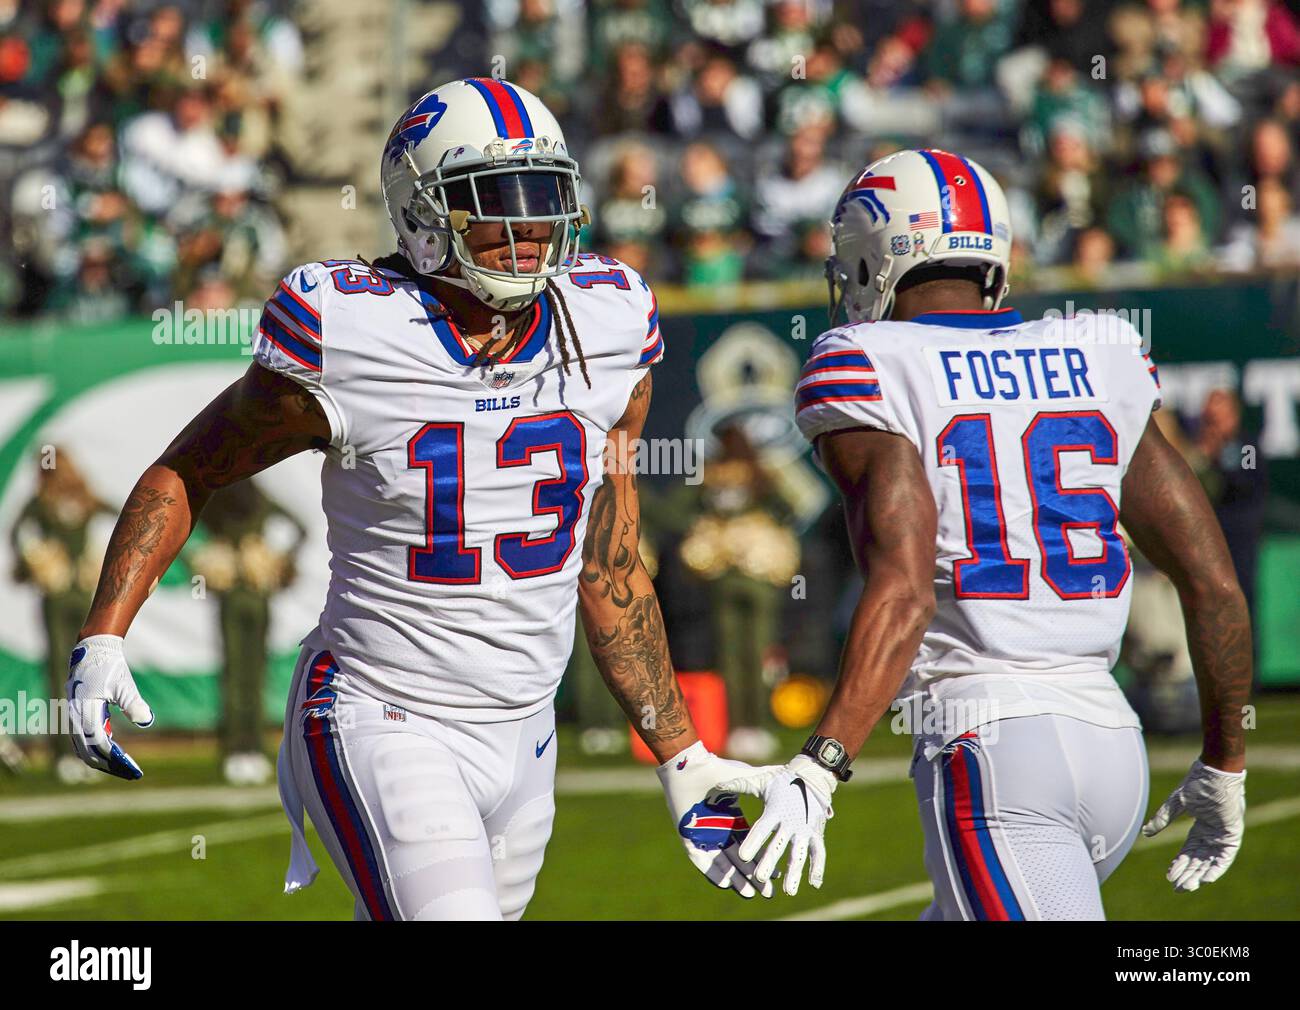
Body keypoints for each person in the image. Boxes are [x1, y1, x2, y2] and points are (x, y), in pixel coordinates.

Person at [63, 79, 774, 920]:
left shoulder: (609, 324)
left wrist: (680, 754)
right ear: (423, 211)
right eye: (494, 203)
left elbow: (608, 564)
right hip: (379, 710)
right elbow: (189, 468)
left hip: (526, 732)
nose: (528, 230)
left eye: (543, 198)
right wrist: (104, 633)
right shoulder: (351, 329)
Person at [725, 149, 1251, 917]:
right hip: (1112, 738)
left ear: (876, 260)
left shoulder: (870, 362)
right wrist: (1226, 762)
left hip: (994, 752)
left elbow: (903, 590)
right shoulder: (1095, 353)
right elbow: (1213, 584)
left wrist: (821, 761)